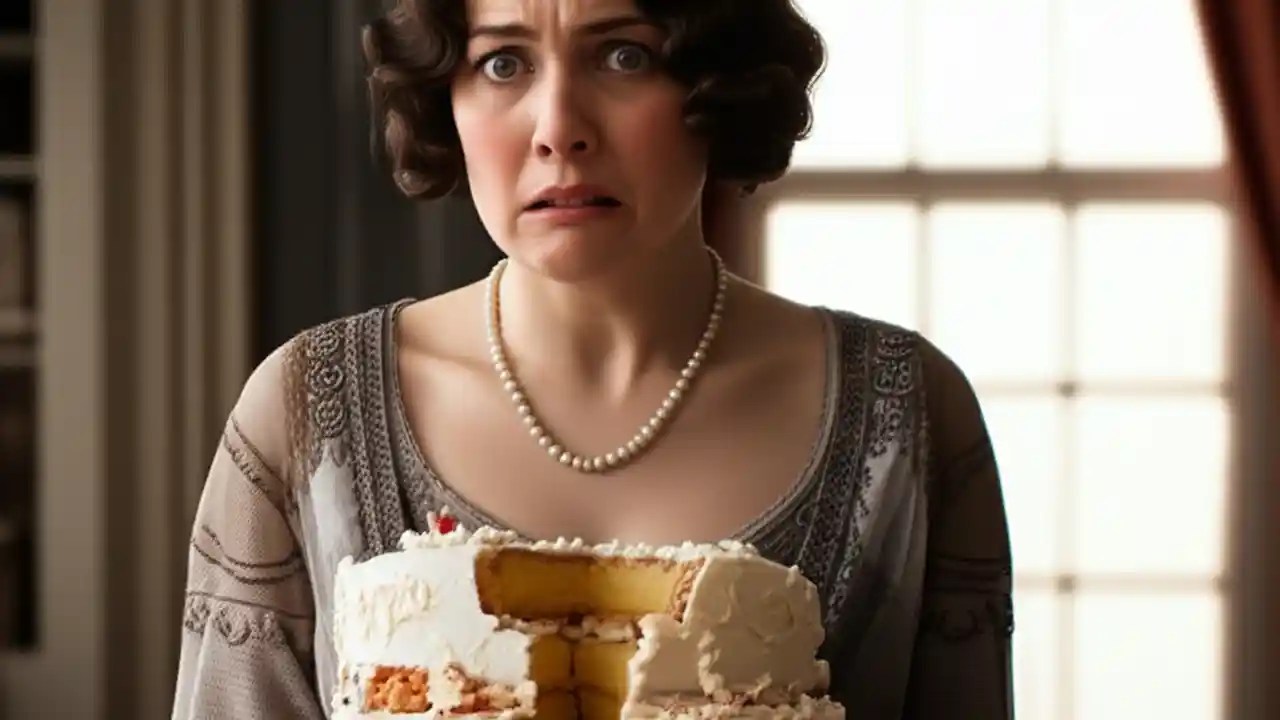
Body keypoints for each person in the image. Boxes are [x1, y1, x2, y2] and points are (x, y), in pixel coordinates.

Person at [171, 0, 1014, 718]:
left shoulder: (909, 412)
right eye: (502, 63)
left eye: (623, 55)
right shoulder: (302, 412)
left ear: (718, 81)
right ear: (445, 98)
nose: (559, 130)